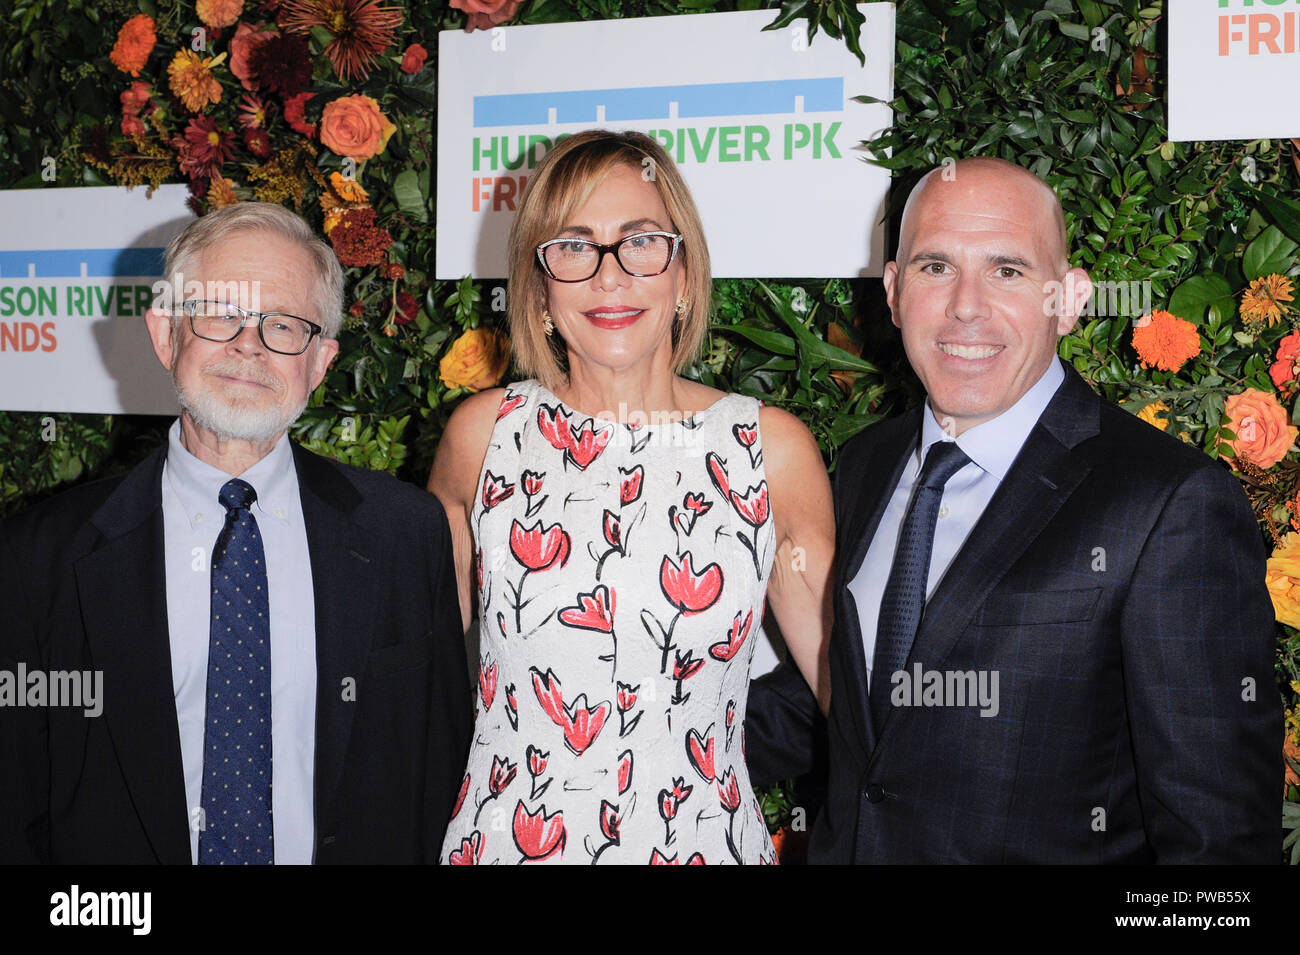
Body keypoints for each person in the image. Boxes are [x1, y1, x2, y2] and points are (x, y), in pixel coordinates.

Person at [746, 157, 1280, 863]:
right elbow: (849, 701)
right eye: (936, 267)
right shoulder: (864, 464)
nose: (967, 305)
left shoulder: (1167, 504)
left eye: (1007, 270)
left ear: (1069, 298)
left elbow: (1220, 850)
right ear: (895, 290)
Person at [0, 202, 472, 864]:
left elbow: (441, 772)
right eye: (222, 312)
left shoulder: (404, 534)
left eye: (283, 324)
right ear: (166, 334)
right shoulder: (41, 555)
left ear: (321, 362)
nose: (249, 344)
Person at [429, 129, 834, 865]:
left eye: (641, 241)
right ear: (539, 286)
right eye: (575, 246)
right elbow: (411, 686)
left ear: (683, 275)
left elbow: (852, 694)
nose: (609, 278)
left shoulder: (769, 450)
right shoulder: (481, 438)